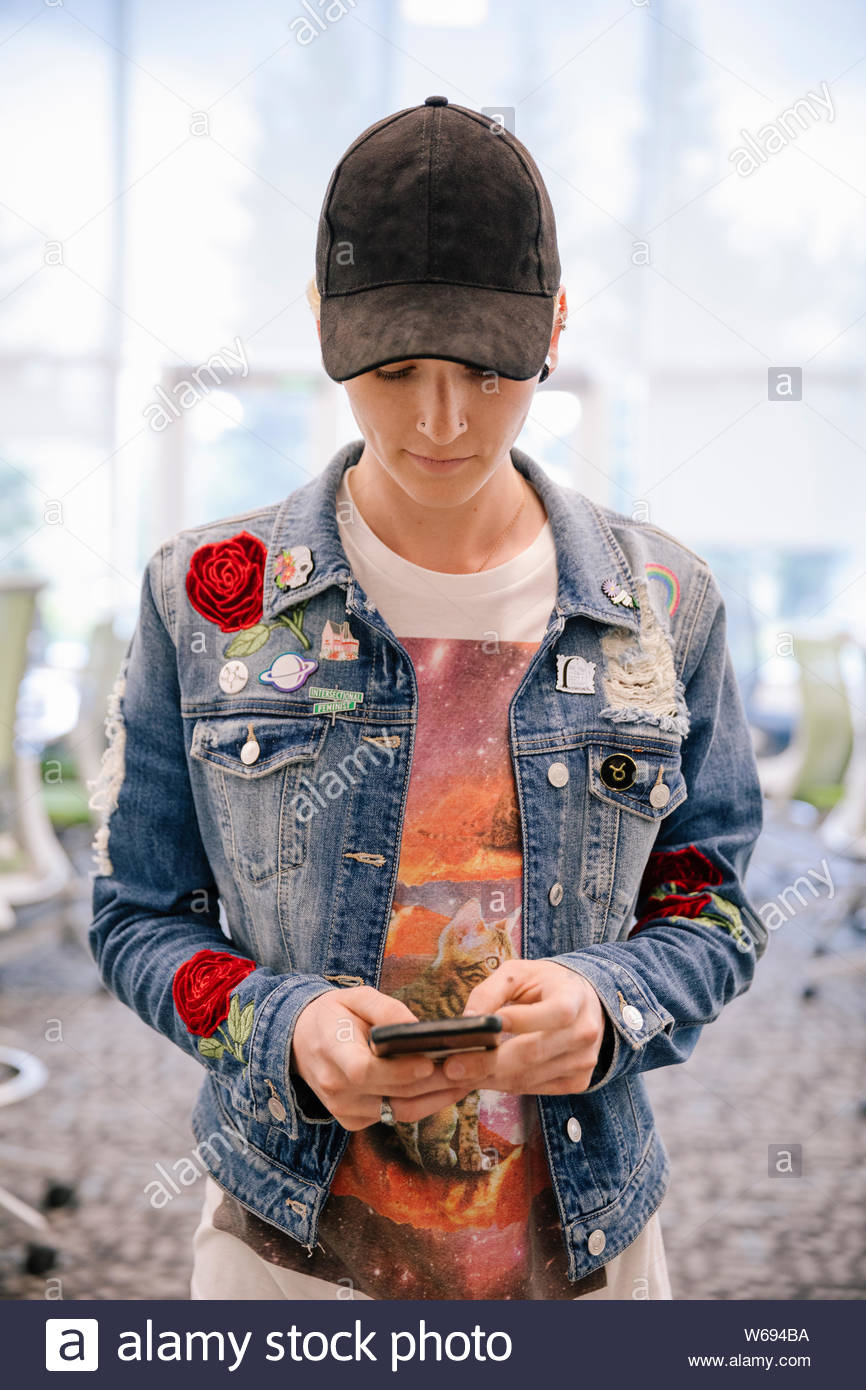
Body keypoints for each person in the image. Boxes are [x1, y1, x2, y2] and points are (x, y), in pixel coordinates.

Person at [88, 96, 766, 1302]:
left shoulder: (664, 598)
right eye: (394, 368)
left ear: (556, 326)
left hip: (584, 1247)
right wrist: (281, 1025)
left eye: (488, 370)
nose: (439, 419)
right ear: (320, 325)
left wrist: (611, 1002)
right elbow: (140, 916)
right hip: (288, 1248)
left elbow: (710, 910)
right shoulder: (203, 598)